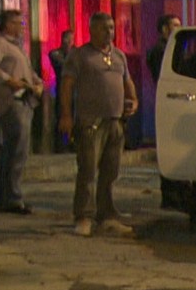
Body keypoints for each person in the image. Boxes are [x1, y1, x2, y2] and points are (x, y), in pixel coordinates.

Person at [59, 12, 138, 237]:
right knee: (87, 170)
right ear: (93, 30)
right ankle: (84, 216)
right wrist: (66, 115)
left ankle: (107, 216)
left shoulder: (119, 56)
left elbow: (127, 82)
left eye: (112, 28)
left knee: (110, 171)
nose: (109, 32)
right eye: (105, 28)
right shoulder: (80, 56)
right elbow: (67, 85)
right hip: (90, 121)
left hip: (115, 121)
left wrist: (134, 100)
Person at [0, 9, 43, 214]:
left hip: (26, 100)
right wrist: (8, 80)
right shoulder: (0, 44)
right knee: (16, 151)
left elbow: (26, 70)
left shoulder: (16, 47)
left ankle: (5, 197)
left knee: (14, 151)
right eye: (17, 23)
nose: (21, 27)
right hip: (12, 102)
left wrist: (37, 82)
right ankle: (12, 197)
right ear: (7, 24)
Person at [146, 14, 189, 212]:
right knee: (171, 149)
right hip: (169, 103)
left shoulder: (174, 49)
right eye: (175, 25)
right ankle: (171, 196)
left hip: (177, 104)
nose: (178, 28)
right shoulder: (160, 51)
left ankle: (179, 194)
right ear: (164, 29)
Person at [48, 30, 74, 153]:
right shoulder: (55, 53)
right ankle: (61, 145)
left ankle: (73, 143)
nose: (69, 42)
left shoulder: (76, 54)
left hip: (75, 92)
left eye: (71, 40)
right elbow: (64, 67)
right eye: (67, 39)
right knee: (61, 115)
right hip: (61, 90)